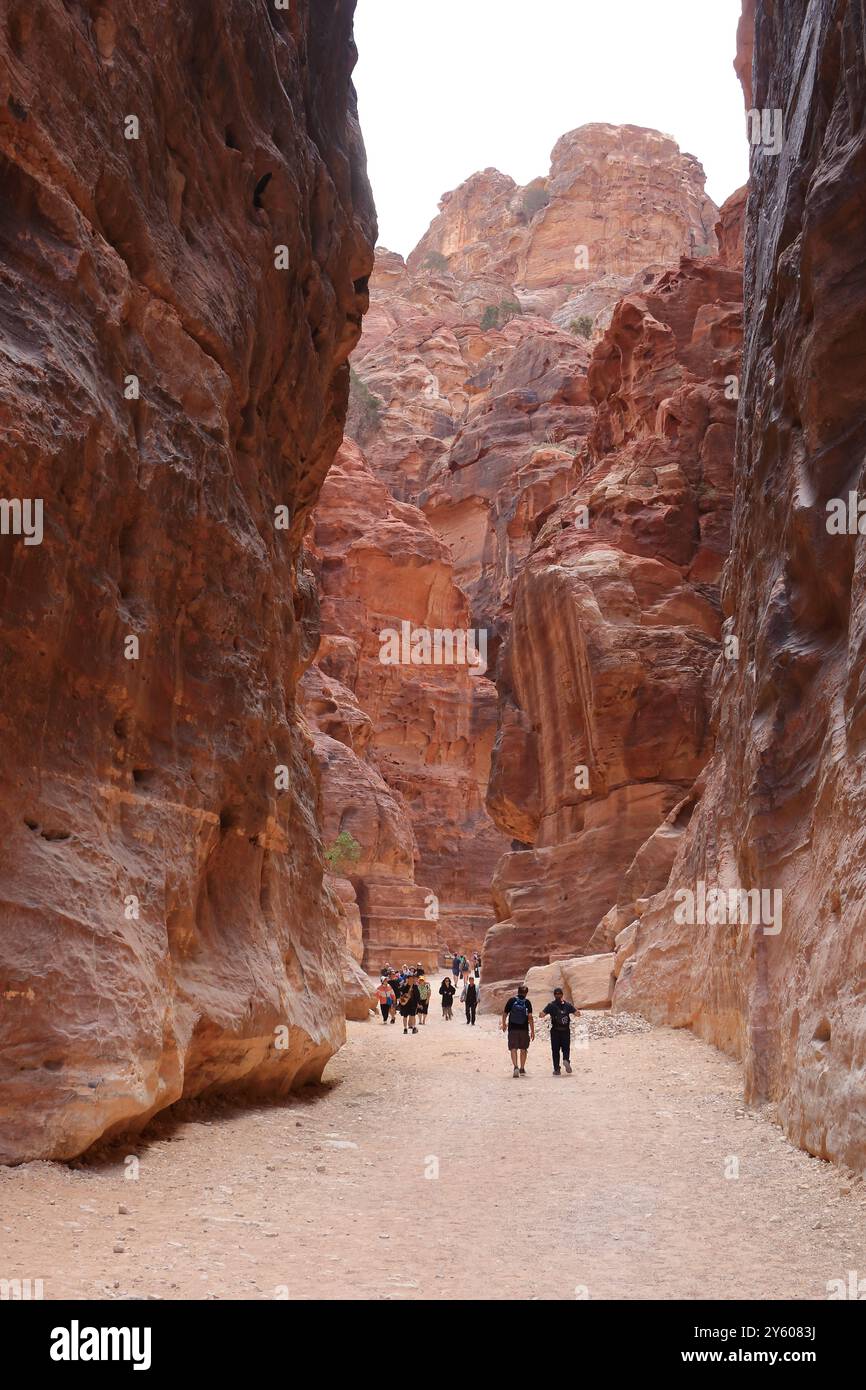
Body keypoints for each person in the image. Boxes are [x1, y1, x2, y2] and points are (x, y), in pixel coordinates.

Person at [540, 987, 576, 1074]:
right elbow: (577, 1013)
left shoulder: (551, 1005)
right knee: (566, 1048)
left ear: (554, 995)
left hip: (555, 1031)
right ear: (562, 995)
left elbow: (542, 1015)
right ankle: (566, 1059)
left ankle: (557, 1069)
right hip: (565, 1030)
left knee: (555, 1050)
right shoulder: (567, 1005)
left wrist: (541, 1014)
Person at [501, 984, 534, 1077]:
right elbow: (530, 1017)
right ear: (526, 993)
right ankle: (522, 1068)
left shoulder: (511, 1001)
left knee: (513, 1048)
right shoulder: (527, 1002)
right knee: (523, 1049)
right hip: (524, 1029)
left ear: (518, 991)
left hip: (513, 1029)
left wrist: (504, 1024)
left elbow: (504, 1014)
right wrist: (532, 1031)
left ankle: (515, 1066)